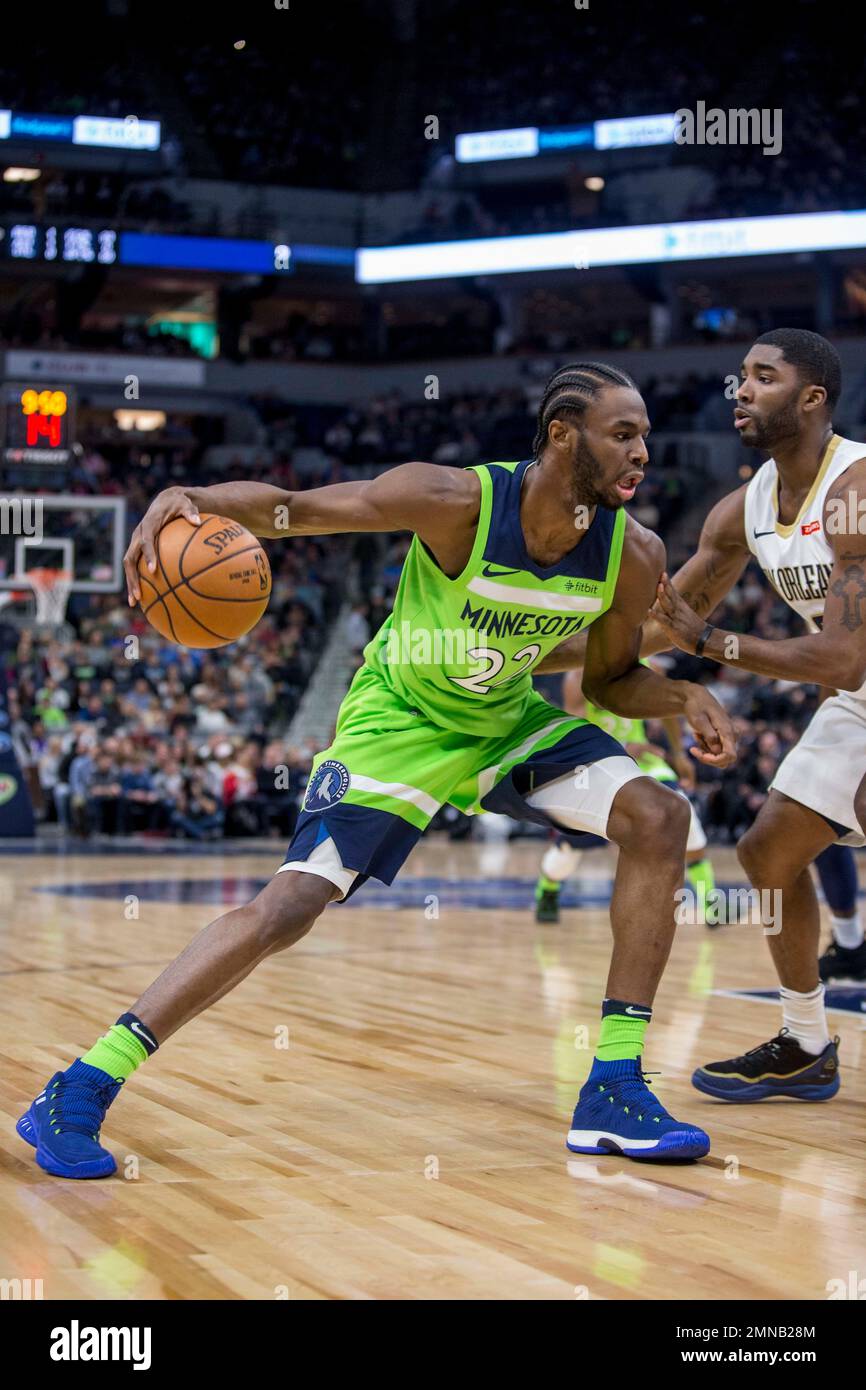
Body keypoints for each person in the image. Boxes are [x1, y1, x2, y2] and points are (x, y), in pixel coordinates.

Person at [17, 361, 736, 1180]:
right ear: (563, 436)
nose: (642, 451)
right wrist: (195, 498)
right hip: (399, 724)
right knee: (288, 907)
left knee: (659, 815)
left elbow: (607, 683)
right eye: (623, 434)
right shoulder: (454, 501)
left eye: (644, 435)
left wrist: (682, 694)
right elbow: (297, 511)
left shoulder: (633, 552)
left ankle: (612, 1085)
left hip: (505, 723)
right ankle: (83, 1084)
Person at [642, 328, 865, 1098]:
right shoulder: (744, 508)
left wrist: (714, 644)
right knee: (768, 854)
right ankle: (806, 1043)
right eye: (741, 375)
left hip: (850, 674)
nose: (741, 389)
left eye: (764, 377)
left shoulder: (855, 489)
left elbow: (841, 658)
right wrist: (538, 650)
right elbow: (667, 621)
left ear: (812, 399)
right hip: (857, 696)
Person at [535, 664, 716, 925]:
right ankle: (548, 887)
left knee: (683, 814)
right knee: (572, 846)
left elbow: (668, 709)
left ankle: (710, 902)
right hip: (598, 764)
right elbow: (574, 738)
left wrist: (678, 753)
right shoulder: (577, 679)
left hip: (644, 763)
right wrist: (624, 746)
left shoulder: (650, 667)